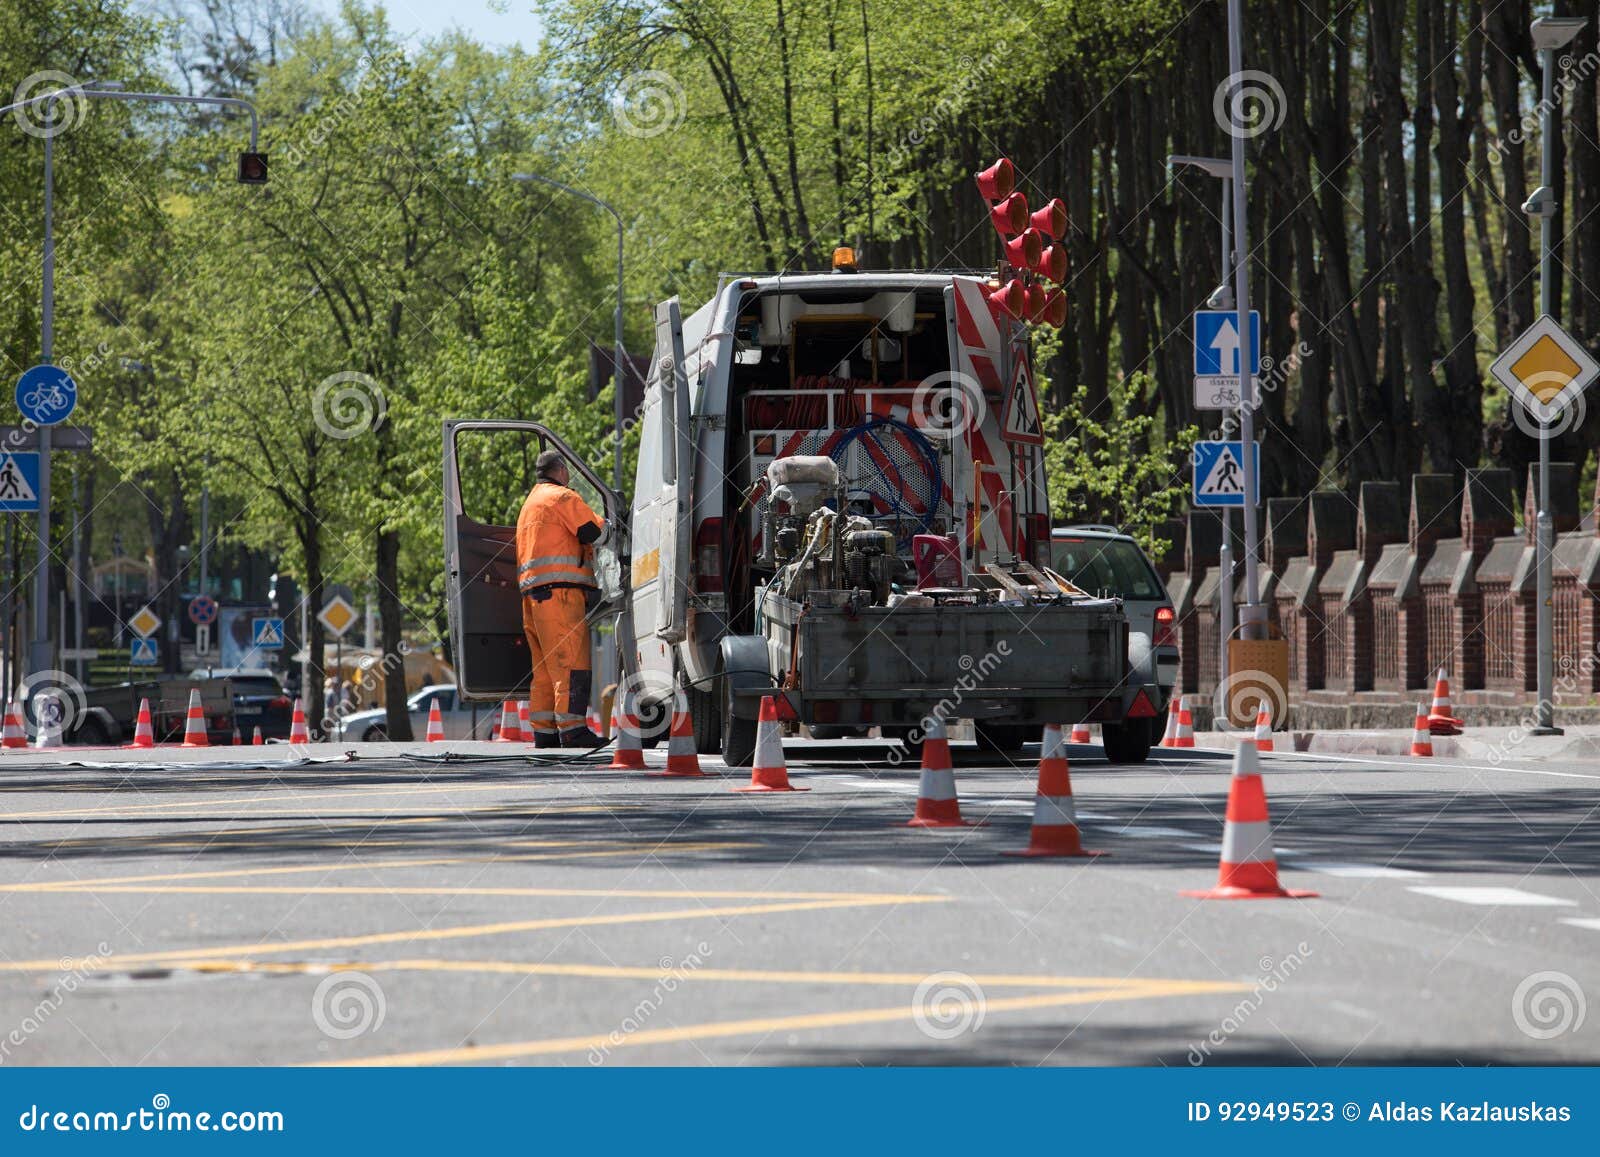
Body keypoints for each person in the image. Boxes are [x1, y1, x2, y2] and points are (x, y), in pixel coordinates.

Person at [515, 449, 605, 747]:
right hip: (561, 594)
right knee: (571, 662)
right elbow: (592, 531)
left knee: (543, 669)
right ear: (562, 470)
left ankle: (545, 732)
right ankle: (573, 730)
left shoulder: (530, 503)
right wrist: (612, 522)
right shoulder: (562, 497)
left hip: (532, 597)